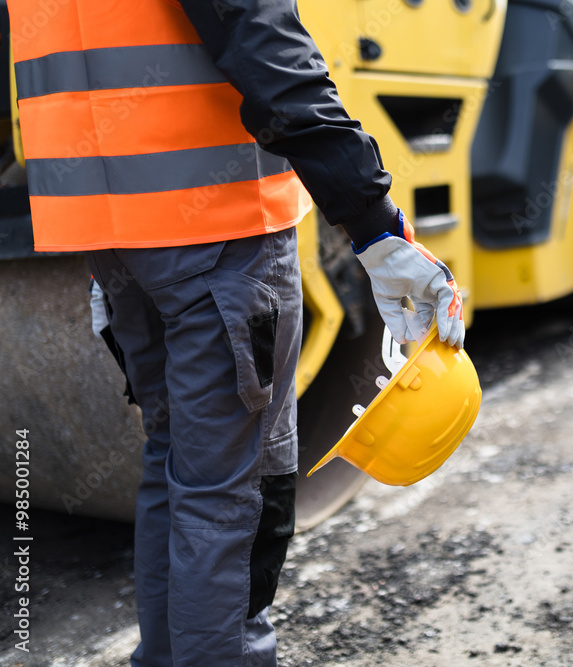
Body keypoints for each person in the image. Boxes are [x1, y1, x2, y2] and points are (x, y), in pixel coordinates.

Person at [8, 0, 464, 665]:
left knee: (179, 463)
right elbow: (255, 24)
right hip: (214, 222)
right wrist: (371, 219)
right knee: (234, 488)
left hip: (104, 223)